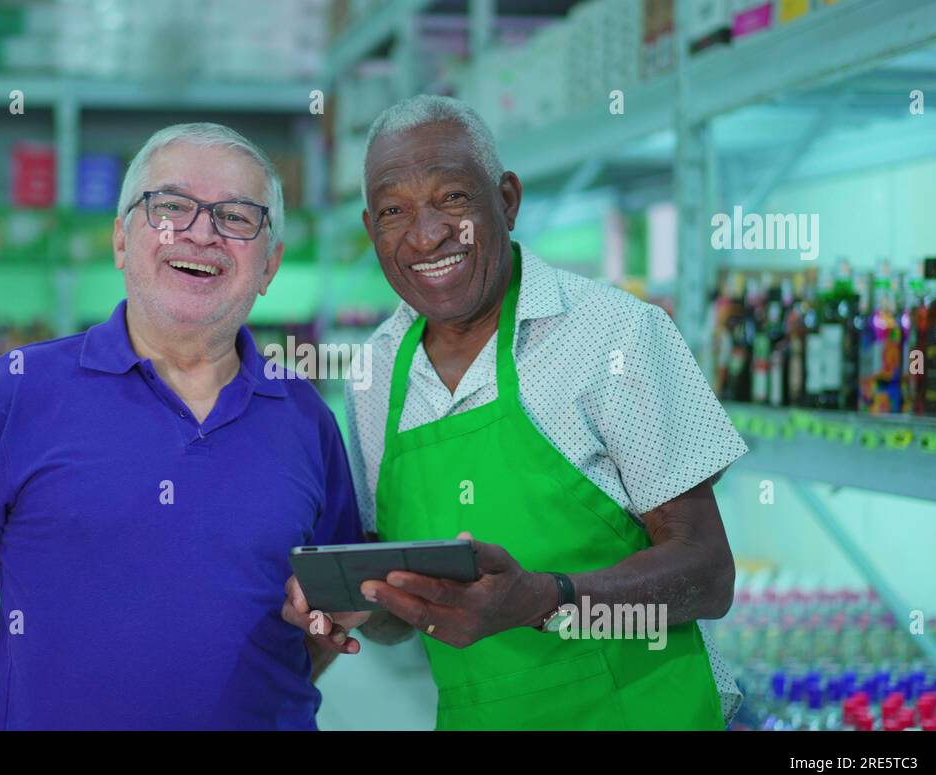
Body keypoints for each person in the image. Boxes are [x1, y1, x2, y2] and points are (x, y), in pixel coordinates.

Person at [284, 95, 747, 730]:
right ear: (371, 230)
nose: (426, 235)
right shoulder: (376, 372)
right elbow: (399, 622)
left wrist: (546, 600)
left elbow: (708, 575)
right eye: (395, 211)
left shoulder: (614, 334)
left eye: (452, 198)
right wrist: (357, 598)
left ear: (505, 199)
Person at [0, 122, 362, 730]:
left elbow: (329, 614)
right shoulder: (14, 394)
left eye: (237, 216)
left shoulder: (306, 417)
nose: (200, 231)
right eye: (170, 206)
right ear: (120, 241)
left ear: (269, 266)